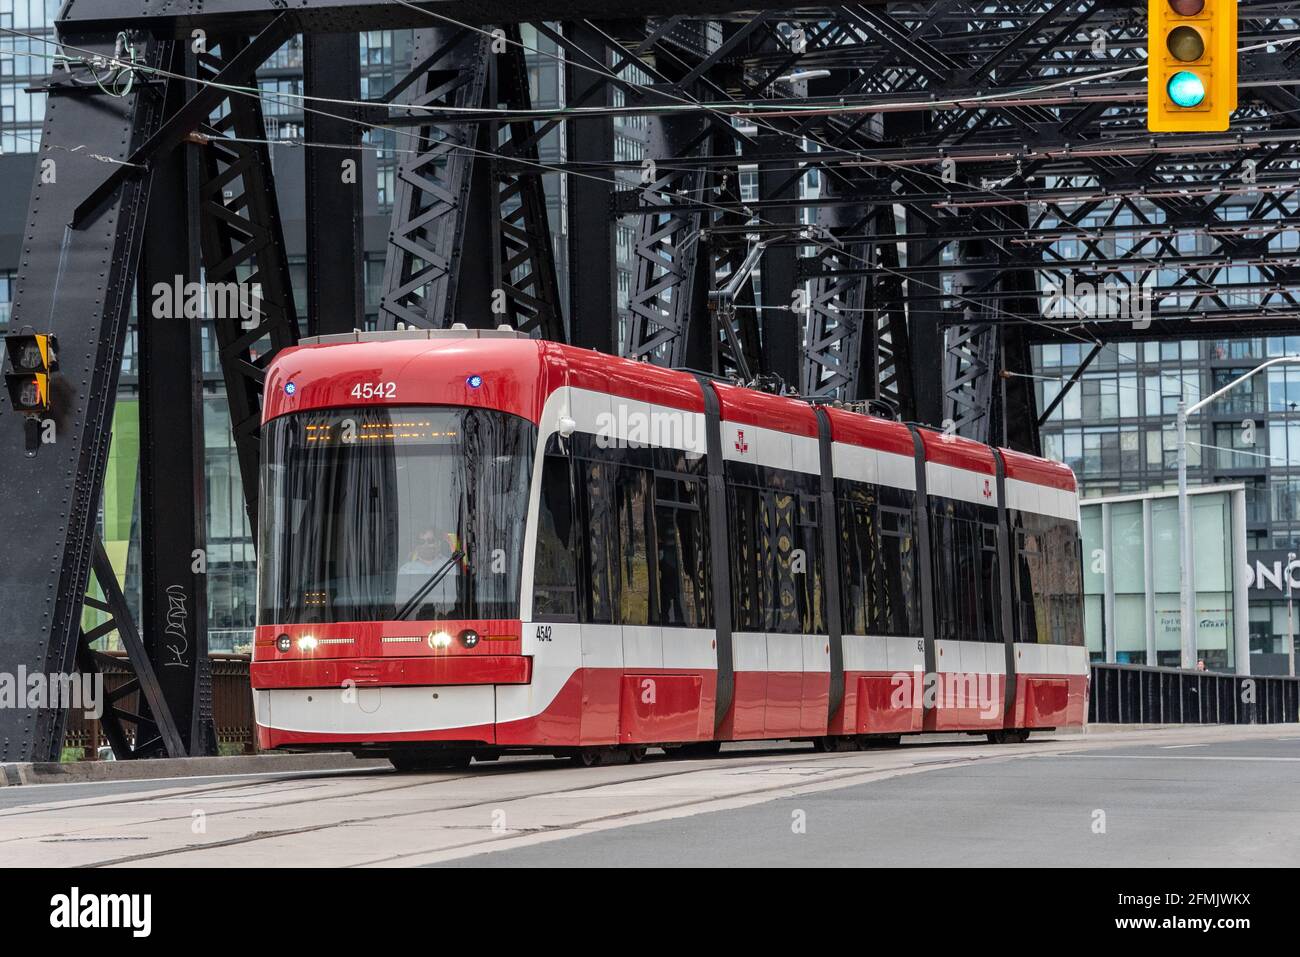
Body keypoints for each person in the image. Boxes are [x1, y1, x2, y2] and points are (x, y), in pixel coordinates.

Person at [395, 527, 459, 613]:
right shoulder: (406, 570)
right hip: (414, 620)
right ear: (417, 546)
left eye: (430, 541)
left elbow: (454, 598)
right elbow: (400, 603)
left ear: (438, 543)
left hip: (445, 618)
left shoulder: (450, 567)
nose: (426, 545)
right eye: (421, 542)